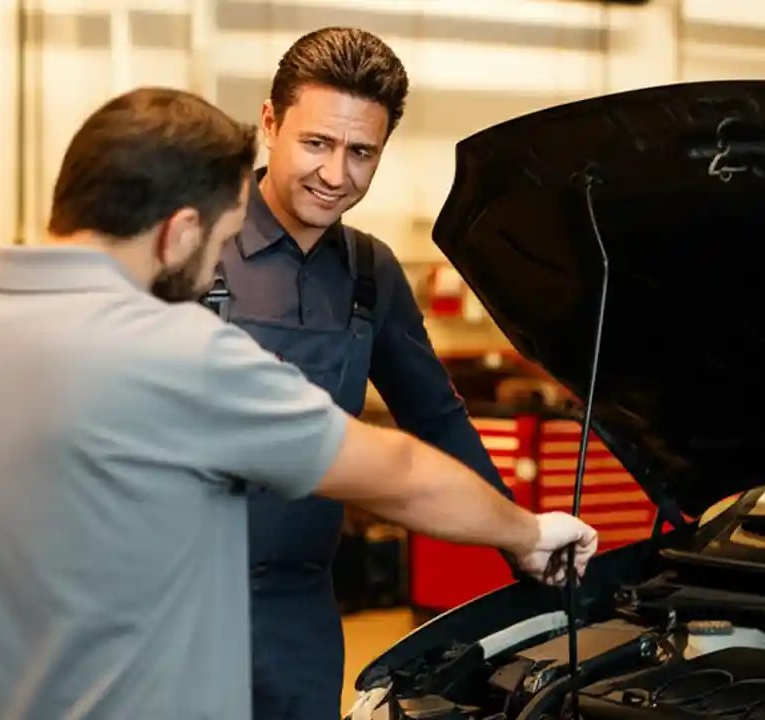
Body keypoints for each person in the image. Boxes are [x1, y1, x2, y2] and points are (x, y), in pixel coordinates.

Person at [0, 86, 597, 720]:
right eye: (222, 239)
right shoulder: (178, 354)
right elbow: (397, 468)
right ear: (179, 233)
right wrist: (526, 531)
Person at [205, 27, 521, 718]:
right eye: (316, 143)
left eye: (361, 152)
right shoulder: (197, 245)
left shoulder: (371, 273)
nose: (336, 174)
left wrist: (517, 537)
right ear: (269, 124)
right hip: (176, 601)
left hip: (300, 611)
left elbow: (435, 419)